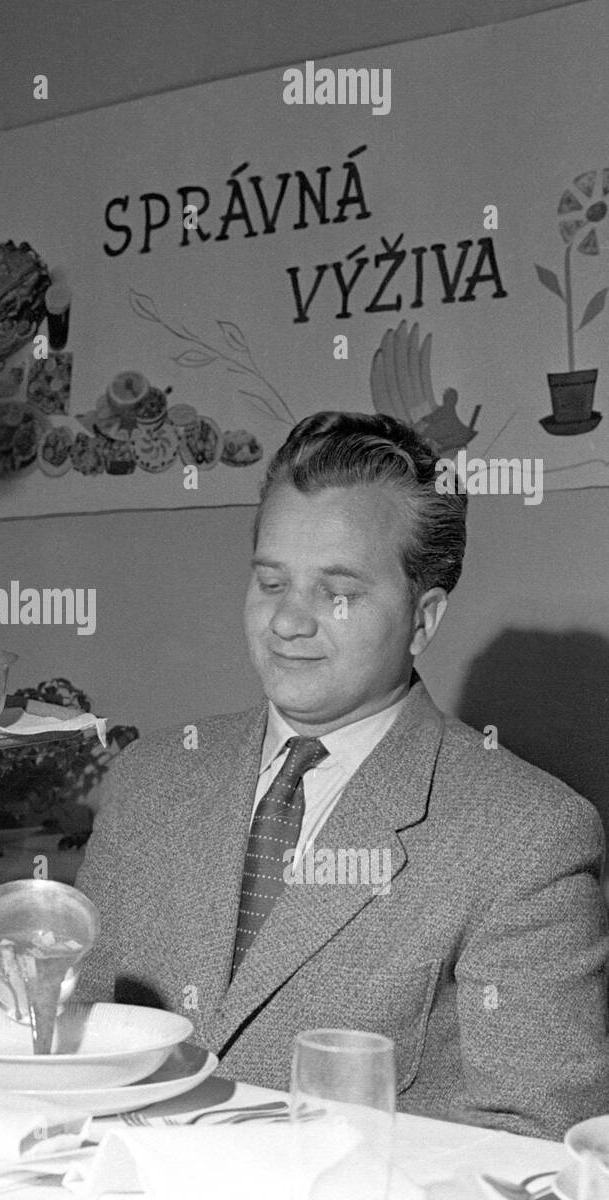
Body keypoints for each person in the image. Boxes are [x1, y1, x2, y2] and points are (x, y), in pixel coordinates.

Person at [75, 411, 609, 1139]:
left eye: (337, 592)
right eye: (270, 583)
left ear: (422, 619)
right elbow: (71, 1044)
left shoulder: (527, 835)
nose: (287, 622)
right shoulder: (151, 778)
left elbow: (539, 1145)